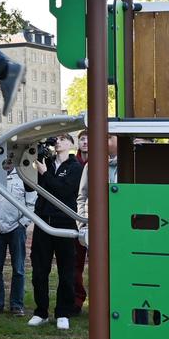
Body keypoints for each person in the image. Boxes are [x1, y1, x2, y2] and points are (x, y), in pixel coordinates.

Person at [28, 133, 81, 330]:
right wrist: (33, 163)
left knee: (66, 271)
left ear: (70, 143)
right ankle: (41, 311)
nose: (57, 141)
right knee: (39, 270)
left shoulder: (75, 167)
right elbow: (29, 187)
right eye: (56, 139)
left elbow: (63, 191)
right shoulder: (46, 163)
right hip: (43, 222)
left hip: (64, 223)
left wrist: (44, 173)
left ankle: (63, 312)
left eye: (62, 138)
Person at [0, 165, 34, 316]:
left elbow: (31, 203)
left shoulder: (25, 176)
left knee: (18, 268)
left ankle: (16, 305)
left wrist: (22, 223)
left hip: (16, 229)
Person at [72, 130, 90, 314]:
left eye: (88, 139)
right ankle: (77, 299)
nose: (85, 142)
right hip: (77, 218)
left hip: (95, 220)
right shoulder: (73, 163)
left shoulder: (101, 161)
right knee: (75, 263)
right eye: (82, 139)